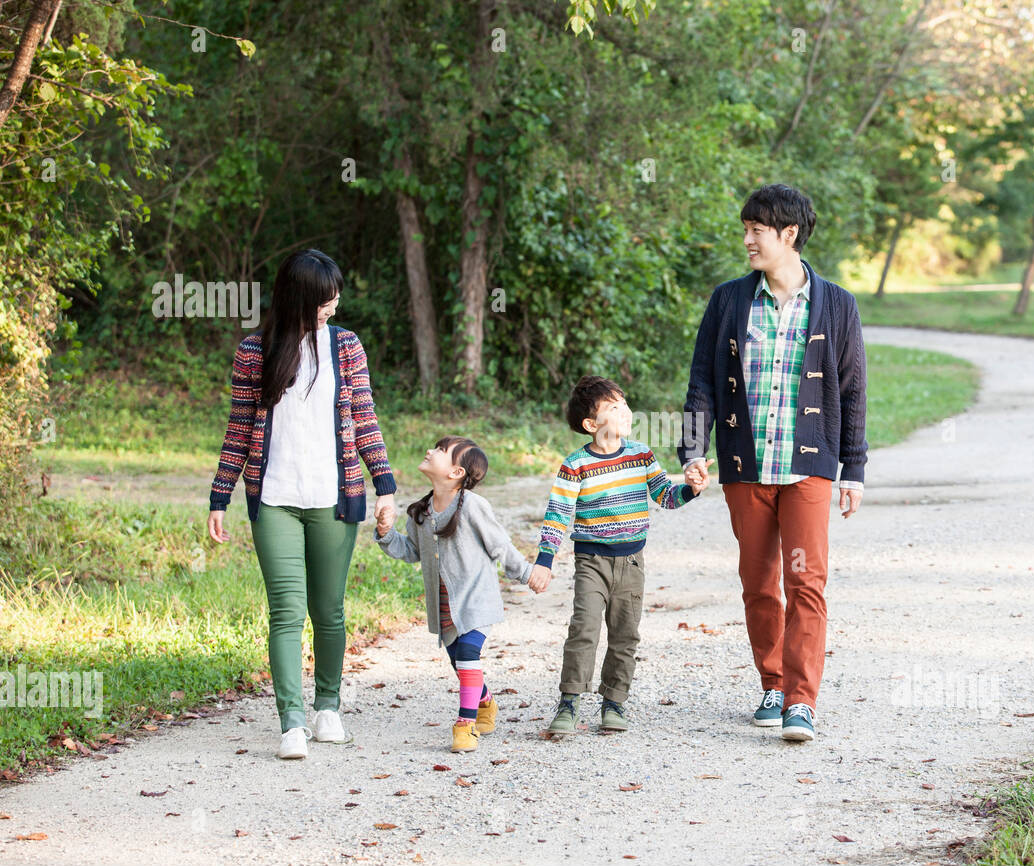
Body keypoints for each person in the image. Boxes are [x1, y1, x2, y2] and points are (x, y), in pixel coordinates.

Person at [679, 183, 867, 743]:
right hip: (745, 465)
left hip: (808, 465)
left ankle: (802, 701)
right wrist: (693, 451)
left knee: (806, 579)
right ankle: (773, 681)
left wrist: (853, 468)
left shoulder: (836, 304)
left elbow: (852, 390)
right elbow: (702, 384)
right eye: (745, 229)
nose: (746, 241)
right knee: (759, 582)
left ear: (789, 234)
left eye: (755, 231)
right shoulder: (729, 300)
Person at [208, 249, 397, 759]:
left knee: (329, 611)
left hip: (335, 500)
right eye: (323, 297)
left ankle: (328, 708)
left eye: (335, 294)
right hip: (274, 499)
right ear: (298, 297)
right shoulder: (256, 350)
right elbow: (239, 428)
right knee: (286, 612)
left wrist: (386, 487)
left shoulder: (347, 347)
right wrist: (219, 497)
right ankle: (292, 722)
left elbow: (366, 422)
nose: (333, 304)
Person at [530, 375, 709, 736]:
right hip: (591, 562)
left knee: (625, 634)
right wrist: (545, 560)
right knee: (584, 630)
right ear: (591, 424)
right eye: (613, 406)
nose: (625, 410)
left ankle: (614, 701)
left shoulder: (641, 455)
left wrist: (690, 490)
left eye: (624, 403)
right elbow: (558, 514)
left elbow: (664, 496)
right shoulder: (576, 465)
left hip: (631, 562)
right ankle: (569, 702)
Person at [375, 435, 539, 753]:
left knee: (467, 657)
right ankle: (486, 701)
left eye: (439, 451)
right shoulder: (421, 513)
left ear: (456, 473)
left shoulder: (474, 506)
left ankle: (465, 726)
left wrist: (527, 574)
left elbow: (499, 545)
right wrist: (385, 533)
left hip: (476, 600)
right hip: (445, 607)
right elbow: (409, 551)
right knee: (460, 665)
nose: (429, 451)